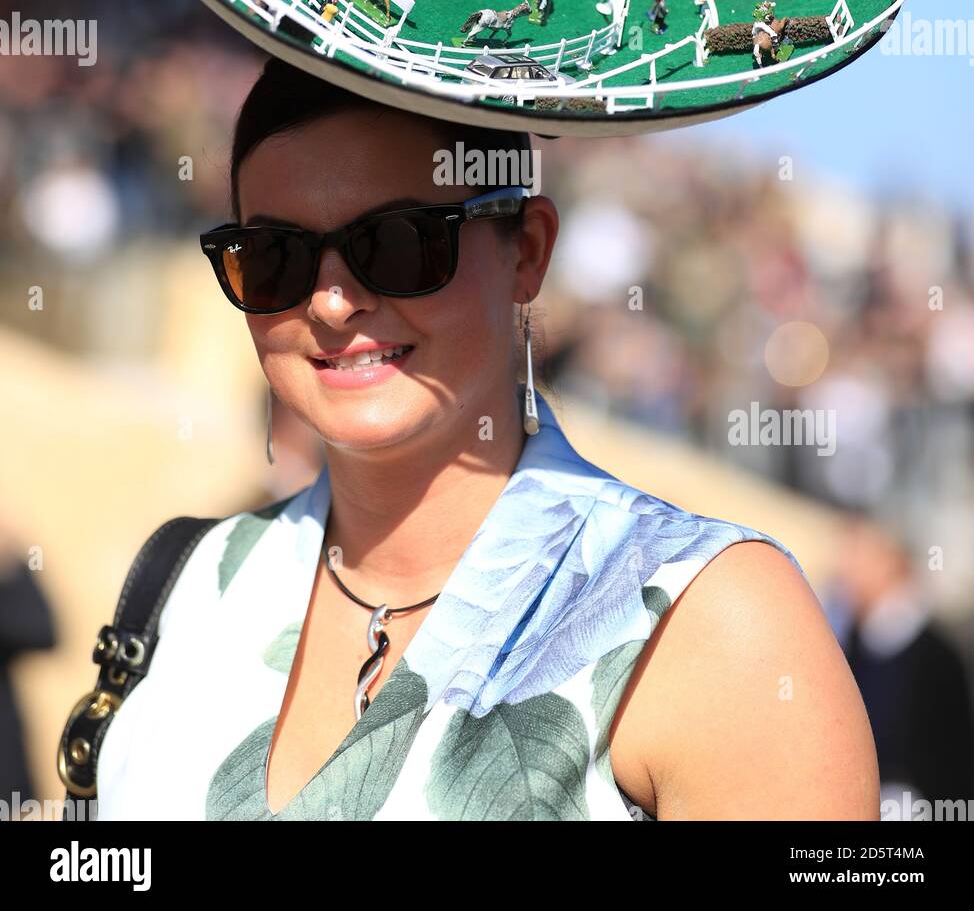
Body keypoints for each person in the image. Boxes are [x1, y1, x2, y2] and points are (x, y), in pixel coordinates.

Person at [92, 58, 879, 821]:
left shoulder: (713, 623)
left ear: (526, 252)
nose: (331, 302)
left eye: (397, 243)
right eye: (274, 258)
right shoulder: (185, 585)